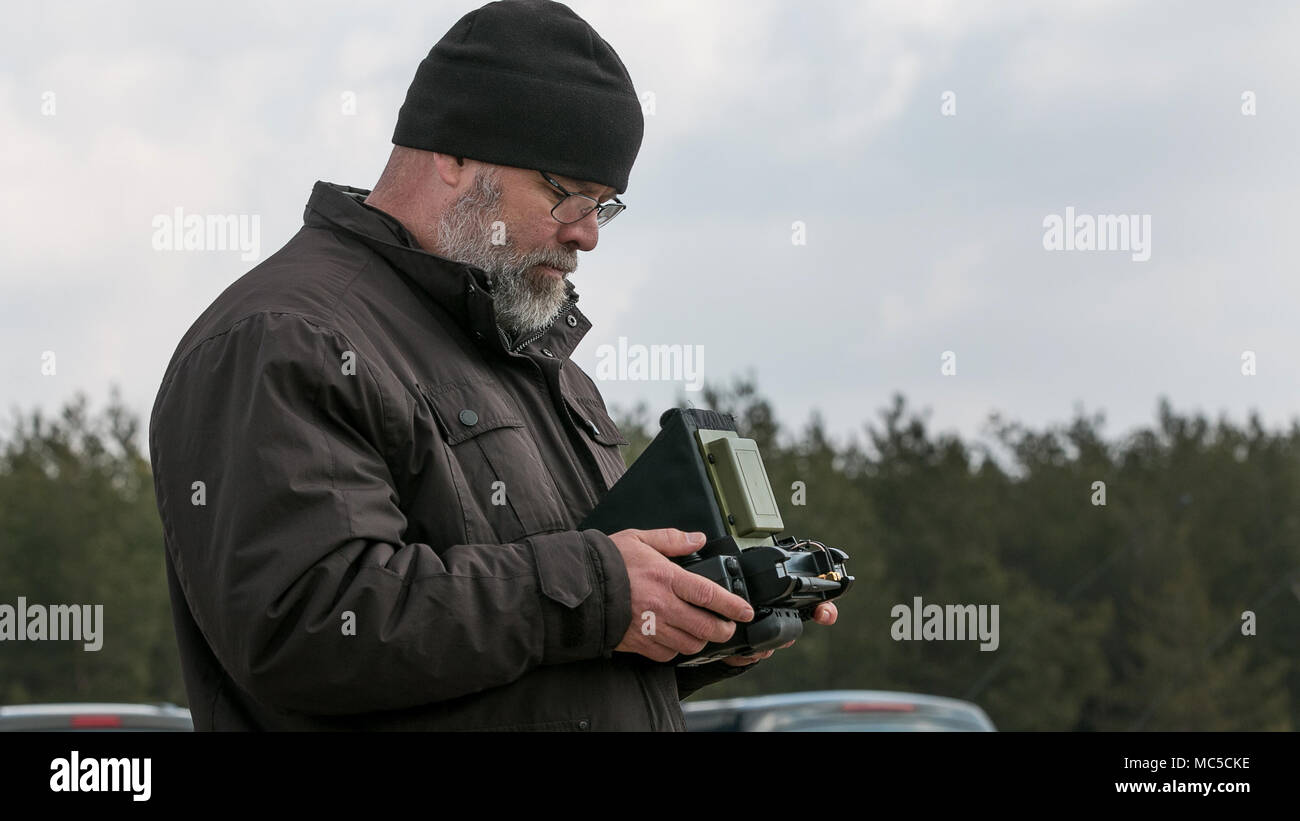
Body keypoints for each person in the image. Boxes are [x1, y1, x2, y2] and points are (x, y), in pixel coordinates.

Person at [149, 0, 835, 732]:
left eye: (606, 205)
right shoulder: (285, 337)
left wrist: (688, 625)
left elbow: (535, 659)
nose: (588, 234)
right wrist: (604, 590)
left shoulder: (530, 349)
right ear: (452, 155)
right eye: (565, 192)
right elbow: (307, 625)